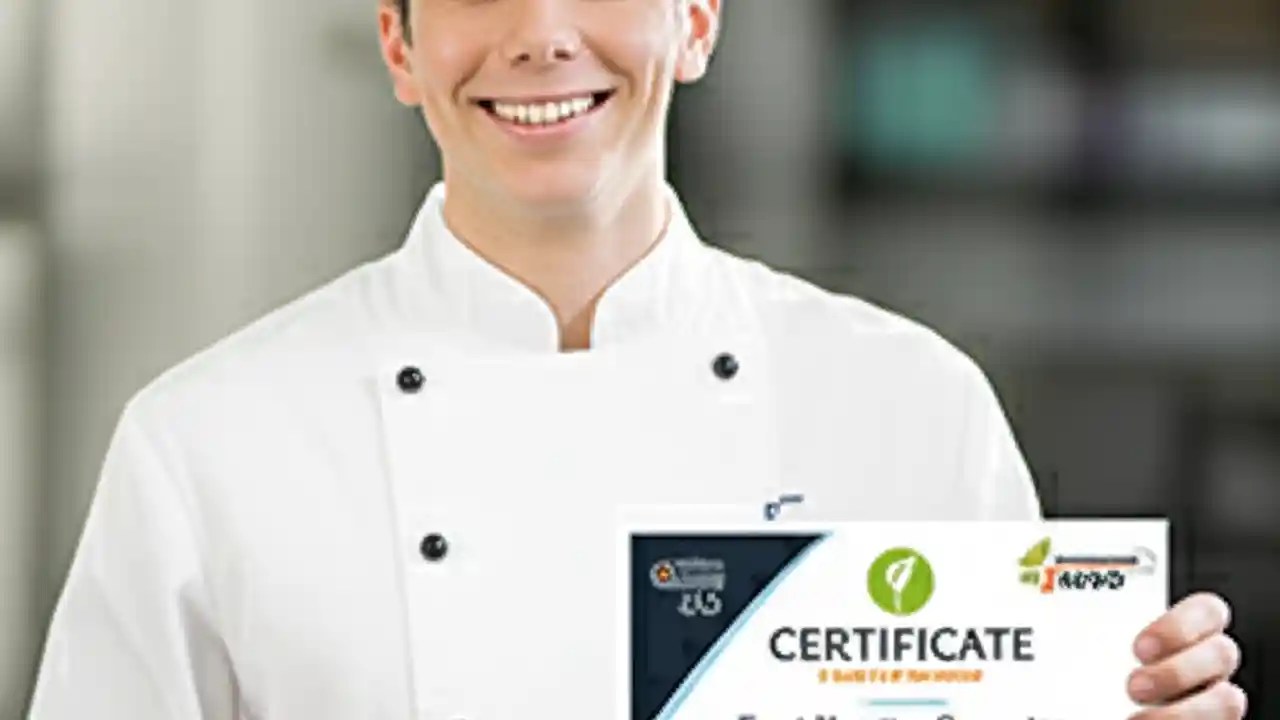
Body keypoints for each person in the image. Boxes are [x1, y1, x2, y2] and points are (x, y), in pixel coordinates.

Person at [28, 1, 1246, 718]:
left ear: (697, 17)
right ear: (397, 46)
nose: (539, 35)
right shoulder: (207, 445)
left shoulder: (909, 407)